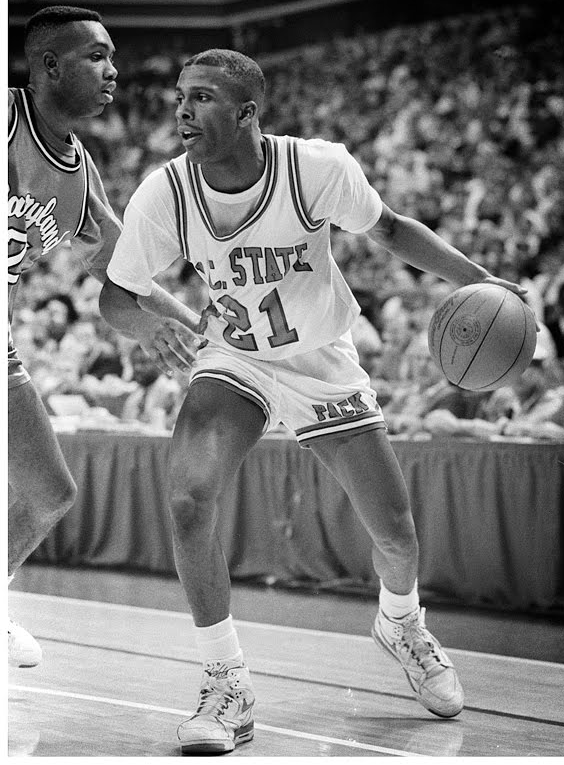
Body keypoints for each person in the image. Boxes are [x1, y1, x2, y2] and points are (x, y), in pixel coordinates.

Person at [100, 49, 529, 755]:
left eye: (203, 97)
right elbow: (118, 294)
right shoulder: (165, 193)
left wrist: (483, 278)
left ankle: (402, 623)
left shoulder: (316, 168)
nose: (182, 109)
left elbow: (390, 227)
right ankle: (225, 679)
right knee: (187, 497)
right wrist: (153, 330)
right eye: (181, 95)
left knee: (394, 532)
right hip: (236, 357)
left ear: (247, 112)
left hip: (322, 360)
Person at [8, 6, 201, 669]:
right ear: (47, 67)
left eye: (114, 55)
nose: (114, 70)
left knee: (50, 491)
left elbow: (127, 281)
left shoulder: (80, 174)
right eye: (96, 56)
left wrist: (205, 334)